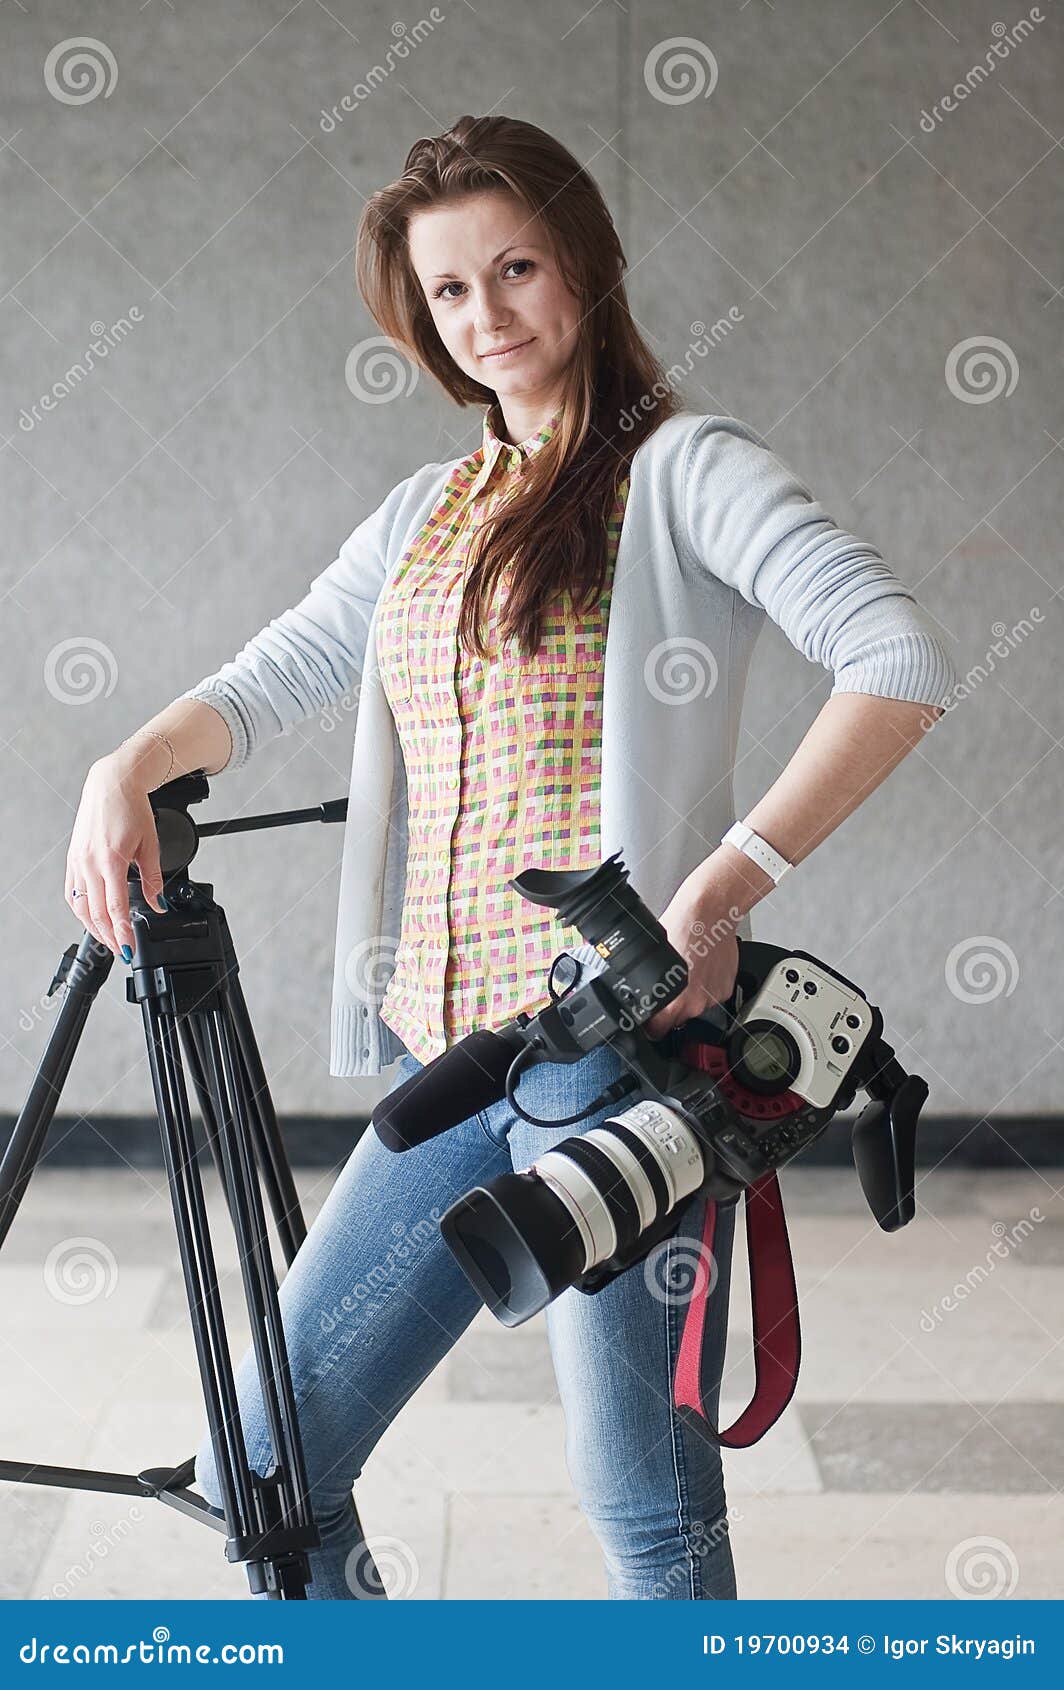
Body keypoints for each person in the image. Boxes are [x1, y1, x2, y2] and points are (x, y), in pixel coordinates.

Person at [64, 115, 959, 1600]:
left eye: (517, 267)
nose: (487, 316)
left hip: (624, 1068)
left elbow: (900, 654)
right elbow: (281, 671)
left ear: (587, 266)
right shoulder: (429, 512)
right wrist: (125, 763)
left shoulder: (680, 472)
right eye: (451, 293)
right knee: (266, 1464)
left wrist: (727, 879)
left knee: (646, 1511)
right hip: (462, 1054)